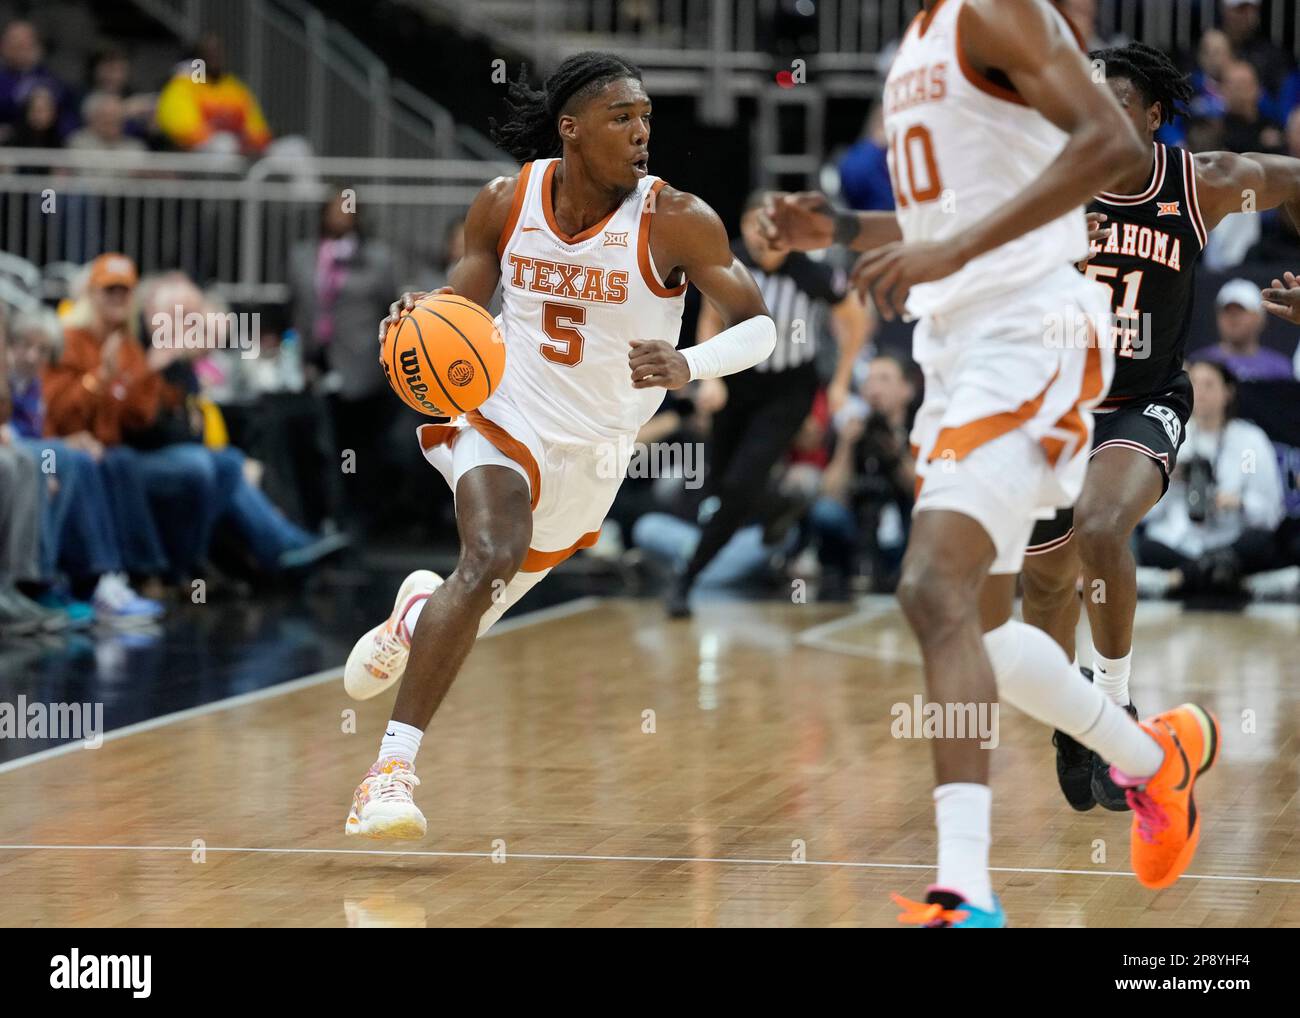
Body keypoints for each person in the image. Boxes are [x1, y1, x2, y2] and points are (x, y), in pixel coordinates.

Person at [758, 0, 1218, 926]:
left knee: (932, 588)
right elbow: (951, 209)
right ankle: (1152, 760)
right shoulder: (921, 42)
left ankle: (964, 894)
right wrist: (841, 228)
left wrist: (954, 249)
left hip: (1030, 331)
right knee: (983, 627)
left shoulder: (1001, 11)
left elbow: (1114, 149)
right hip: (959, 346)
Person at [340, 52, 776, 841]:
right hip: (501, 410)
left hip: (597, 449)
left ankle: (414, 615)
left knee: (480, 600)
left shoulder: (676, 216)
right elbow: (456, 313)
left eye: (646, 117)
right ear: (571, 128)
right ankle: (389, 775)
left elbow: (761, 325)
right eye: (622, 117)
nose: (642, 132)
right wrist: (415, 319)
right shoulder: (507, 200)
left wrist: (689, 363)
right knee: (489, 556)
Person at [1018, 42, 1300, 814]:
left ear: (1151, 116)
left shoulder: (1200, 185)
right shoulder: (1047, 186)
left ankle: (1114, 708)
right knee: (1042, 592)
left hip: (1145, 401)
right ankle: (1070, 717)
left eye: (1116, 101)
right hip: (1053, 409)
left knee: (1103, 527)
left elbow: (1295, 182)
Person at [664, 188, 868, 616]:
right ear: (744, 226)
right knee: (723, 486)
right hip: (739, 381)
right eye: (760, 227)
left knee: (739, 484)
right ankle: (778, 506)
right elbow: (709, 316)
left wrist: (842, 379)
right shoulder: (728, 260)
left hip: (789, 388)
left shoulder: (812, 273)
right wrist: (711, 375)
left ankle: (688, 577)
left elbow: (854, 319)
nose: (767, 237)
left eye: (776, 227)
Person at [6, 305, 164, 623]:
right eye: (25, 346)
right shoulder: (6, 379)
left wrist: (68, 444)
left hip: (36, 453)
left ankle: (95, 579)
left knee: (81, 458)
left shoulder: (32, 384)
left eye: (42, 350)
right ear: (8, 344)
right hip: (24, 455)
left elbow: (43, 434)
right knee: (62, 460)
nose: (32, 356)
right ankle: (42, 581)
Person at [1137, 359, 1284, 594]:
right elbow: (1144, 514)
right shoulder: (1168, 438)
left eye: (1209, 385)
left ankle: (1185, 578)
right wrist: (1165, 481)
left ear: (1228, 392)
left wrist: (1239, 503)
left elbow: (1270, 512)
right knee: (1147, 547)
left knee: (1262, 543)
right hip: (1179, 541)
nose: (1200, 393)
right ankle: (1218, 577)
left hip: (1230, 539)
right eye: (1193, 383)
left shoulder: (1249, 441)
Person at [154, 33, 271, 155]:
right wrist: (227, 140)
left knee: (289, 149)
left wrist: (249, 142)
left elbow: (259, 130)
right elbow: (184, 130)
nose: (214, 57)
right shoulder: (182, 86)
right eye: (208, 53)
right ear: (197, 58)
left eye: (217, 52)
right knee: (223, 145)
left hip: (242, 151)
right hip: (197, 156)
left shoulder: (236, 89)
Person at [1198, 278, 1296, 380]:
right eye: (1227, 311)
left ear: (1259, 318)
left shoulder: (1279, 369)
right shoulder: (1201, 364)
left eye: (1240, 312)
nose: (1232, 319)